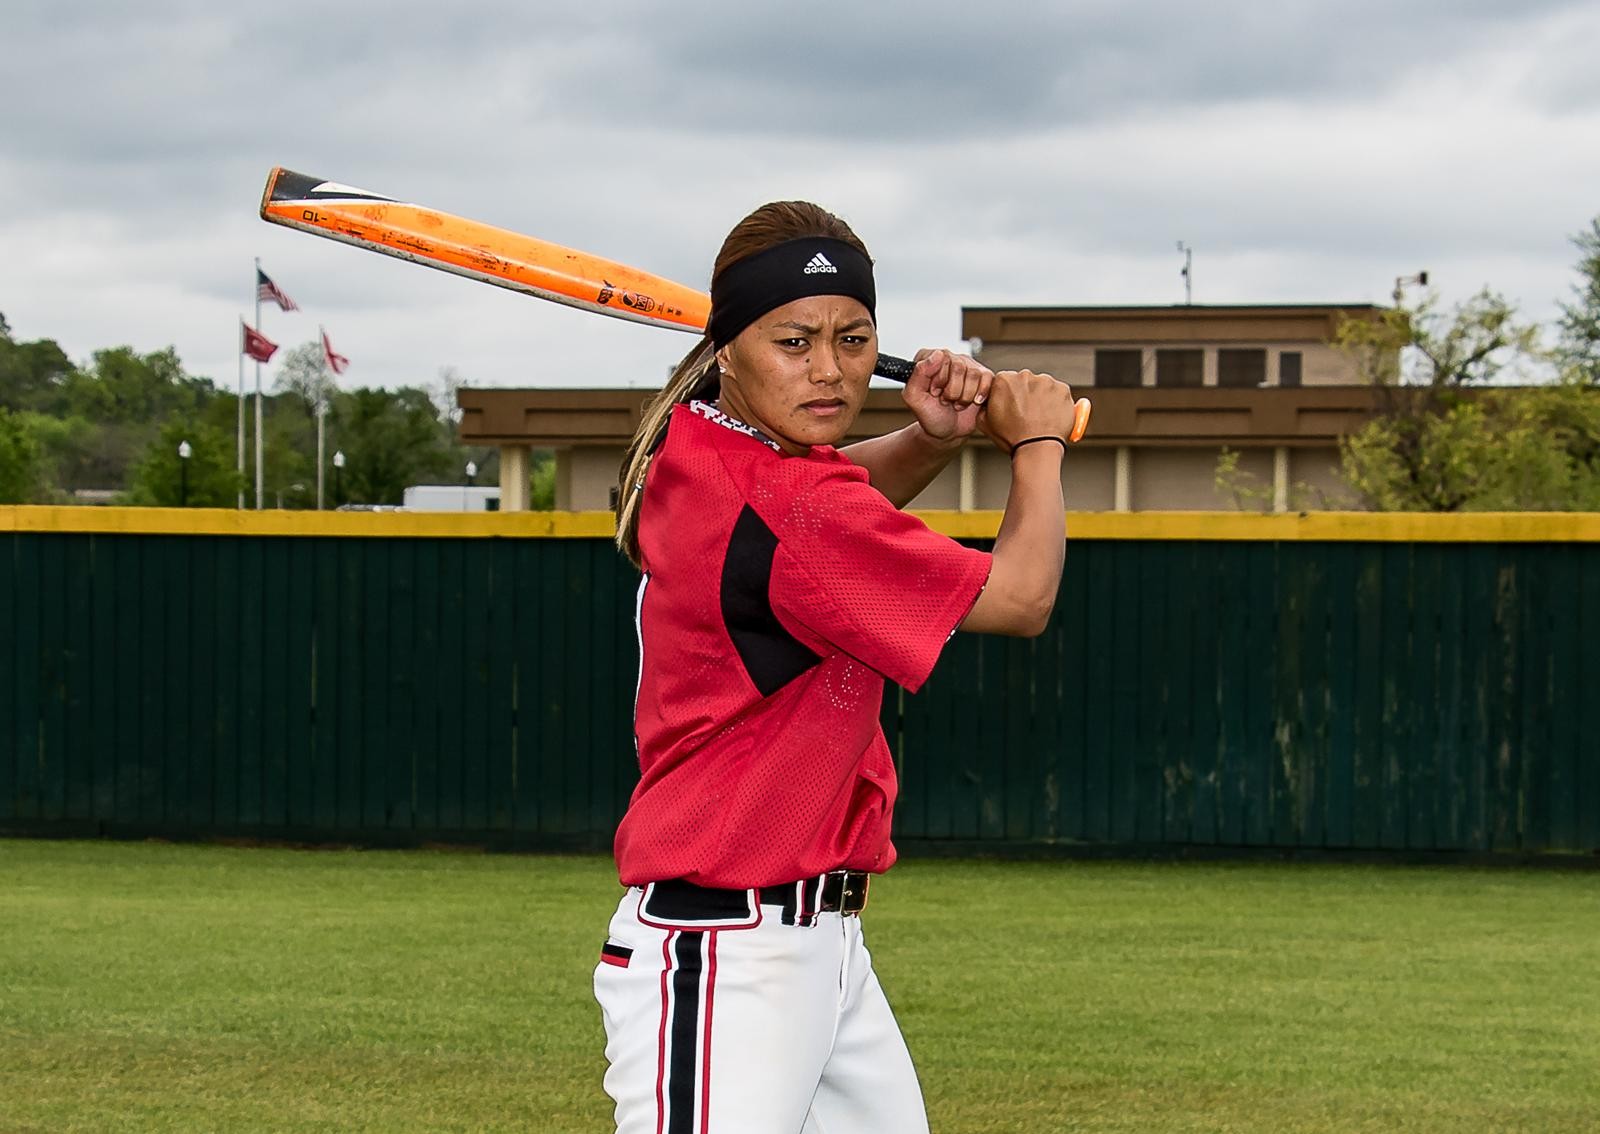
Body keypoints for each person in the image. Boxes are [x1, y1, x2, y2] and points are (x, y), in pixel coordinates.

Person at [595, 200, 1079, 1134]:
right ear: (727, 351)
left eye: (853, 339)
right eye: (793, 342)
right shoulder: (794, 510)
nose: (830, 369)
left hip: (819, 945)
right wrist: (1037, 445)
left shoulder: (701, 450)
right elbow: (1022, 599)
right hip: (729, 951)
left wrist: (932, 436)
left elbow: (825, 507)